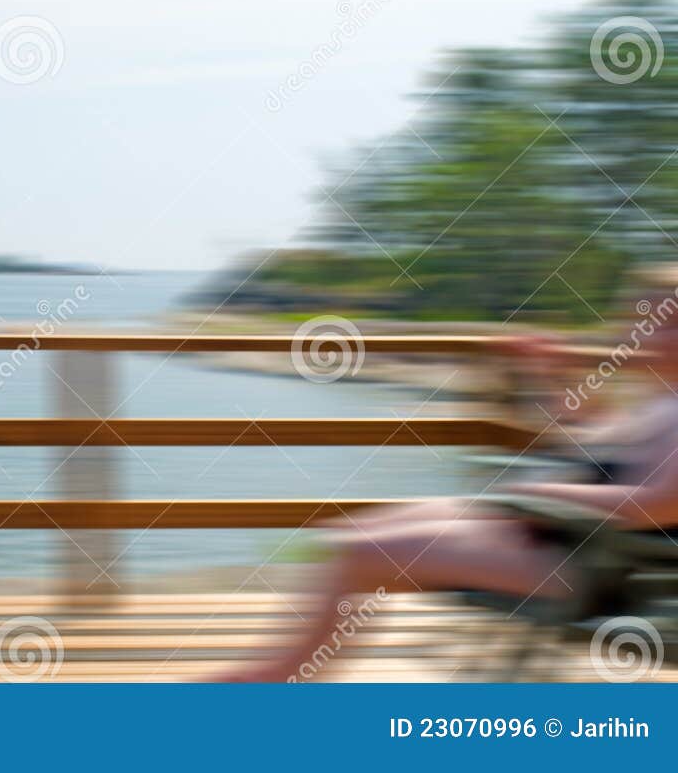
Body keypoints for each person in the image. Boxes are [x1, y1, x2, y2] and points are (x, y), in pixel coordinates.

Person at [220, 275, 678, 682]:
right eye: (644, 319)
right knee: (347, 536)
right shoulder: (660, 400)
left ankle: (274, 680)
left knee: (358, 556)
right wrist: (548, 374)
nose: (643, 333)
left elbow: (659, 504)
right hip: (566, 541)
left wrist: (535, 492)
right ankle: (278, 675)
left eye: (665, 323)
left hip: (592, 568)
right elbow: (590, 447)